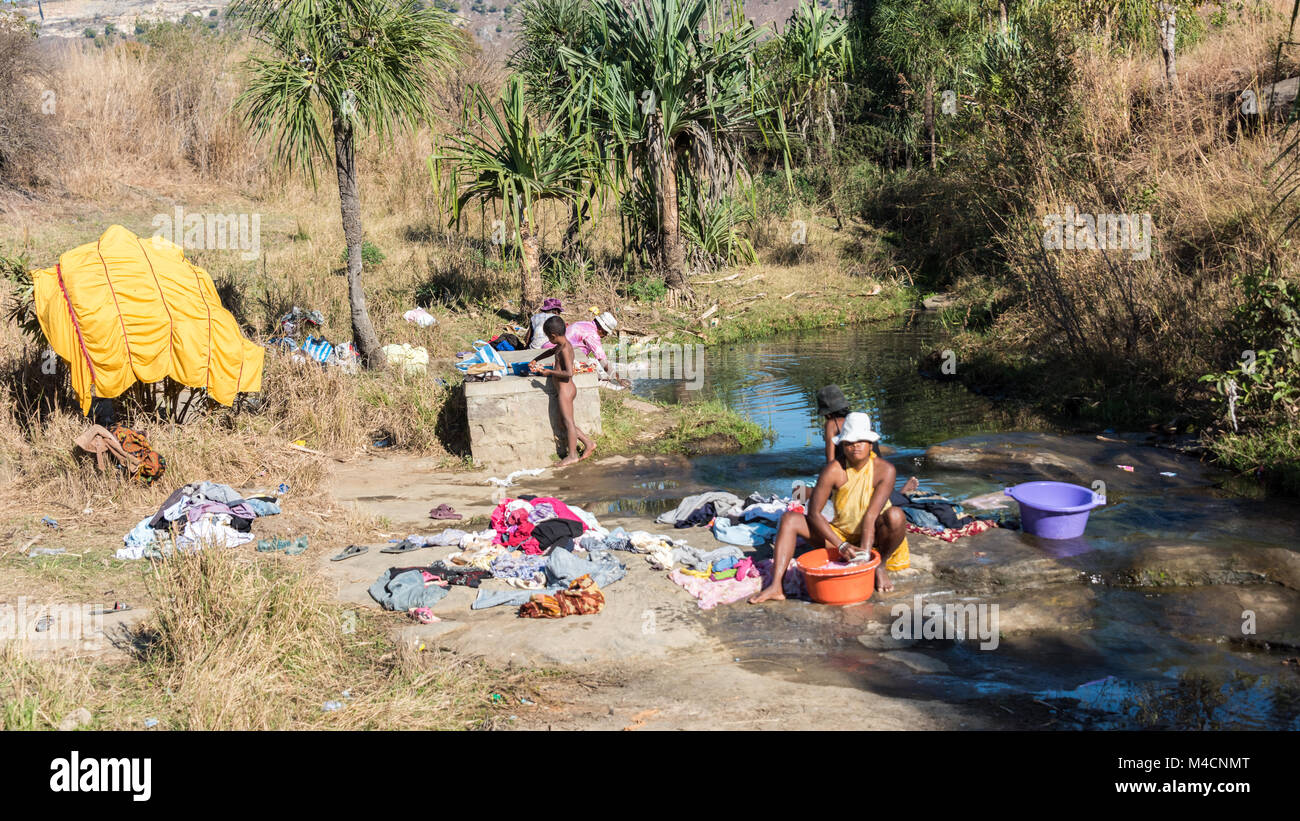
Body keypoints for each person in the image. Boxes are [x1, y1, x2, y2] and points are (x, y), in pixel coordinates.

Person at [750, 412, 909, 603]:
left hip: (874, 536)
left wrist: (864, 559)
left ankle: (879, 565)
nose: (855, 446)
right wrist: (841, 546)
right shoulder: (834, 470)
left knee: (896, 516)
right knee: (789, 519)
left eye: (860, 441)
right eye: (849, 442)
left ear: (870, 443)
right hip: (840, 535)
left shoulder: (886, 470)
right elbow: (814, 513)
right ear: (842, 445)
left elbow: (871, 516)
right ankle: (776, 586)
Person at [529, 316, 595, 465]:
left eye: (548, 337)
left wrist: (549, 372)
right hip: (564, 389)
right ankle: (588, 444)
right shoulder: (560, 344)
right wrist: (536, 359)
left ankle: (572, 455)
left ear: (552, 336)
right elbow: (551, 352)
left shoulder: (565, 349)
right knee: (564, 422)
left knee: (569, 423)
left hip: (566, 390)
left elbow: (569, 373)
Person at [542, 310, 627, 384]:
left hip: (545, 350)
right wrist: (620, 379)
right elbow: (603, 362)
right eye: (605, 333)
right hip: (554, 358)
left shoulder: (583, 324)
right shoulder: (592, 335)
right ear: (601, 329)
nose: (604, 336)